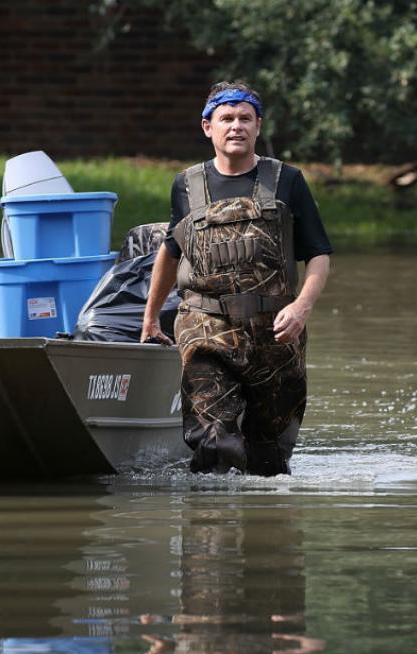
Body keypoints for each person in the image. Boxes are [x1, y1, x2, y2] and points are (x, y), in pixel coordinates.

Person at [141, 80, 332, 475]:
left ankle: (260, 510)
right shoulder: (186, 185)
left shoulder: (287, 180)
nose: (236, 126)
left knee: (269, 462)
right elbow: (170, 251)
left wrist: (301, 307)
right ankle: (210, 509)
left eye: (245, 118)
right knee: (213, 442)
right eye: (226, 118)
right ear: (207, 127)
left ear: (258, 126)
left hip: (276, 335)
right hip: (205, 328)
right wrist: (150, 318)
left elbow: (318, 255)